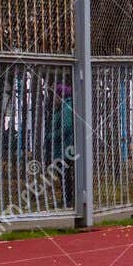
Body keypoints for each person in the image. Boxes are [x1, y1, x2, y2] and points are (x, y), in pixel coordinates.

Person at [46, 81, 77, 213]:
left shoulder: (66, 108)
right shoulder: (62, 108)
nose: (53, 100)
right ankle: (66, 198)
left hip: (65, 148)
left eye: (54, 97)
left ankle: (68, 199)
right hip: (62, 148)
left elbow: (66, 127)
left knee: (64, 174)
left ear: (60, 96)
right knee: (62, 174)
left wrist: (50, 136)